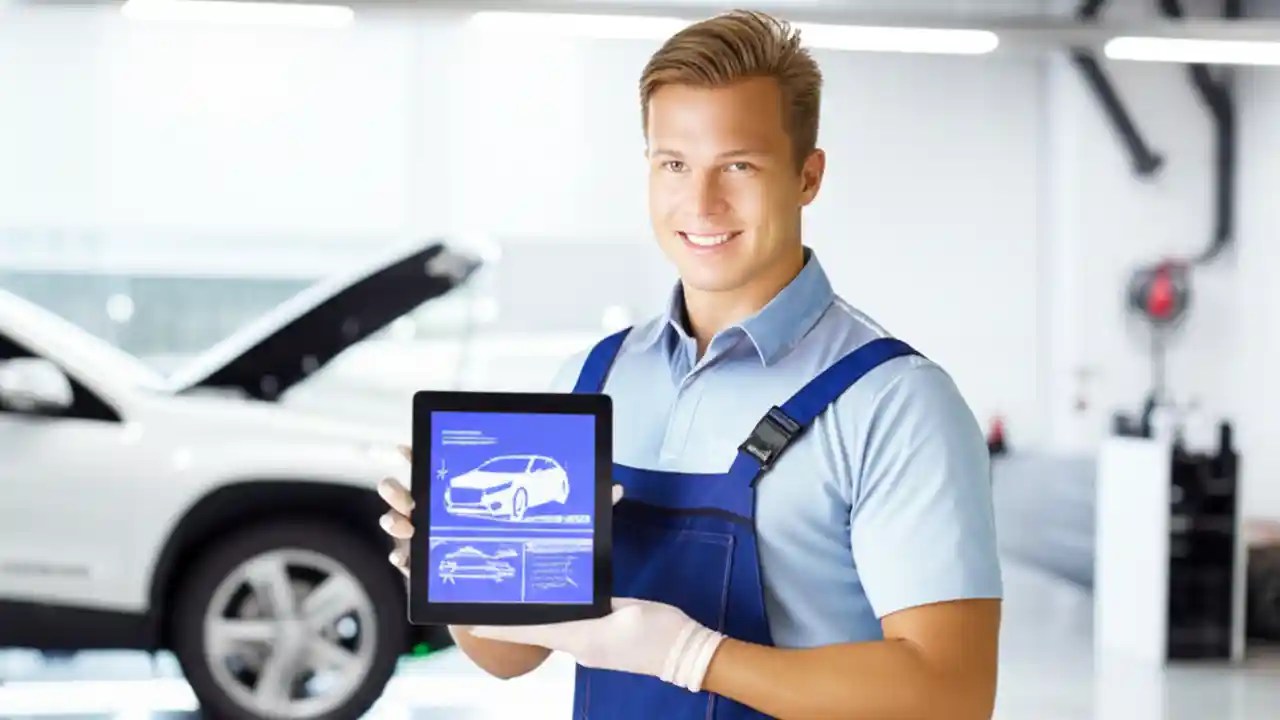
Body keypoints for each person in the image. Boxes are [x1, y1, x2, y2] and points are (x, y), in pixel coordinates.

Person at [378, 9, 1002, 719]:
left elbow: (952, 694)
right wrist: (449, 569)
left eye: (738, 164)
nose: (701, 203)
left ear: (808, 176)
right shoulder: (594, 379)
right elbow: (511, 655)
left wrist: (692, 656)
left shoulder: (898, 403)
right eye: (674, 164)